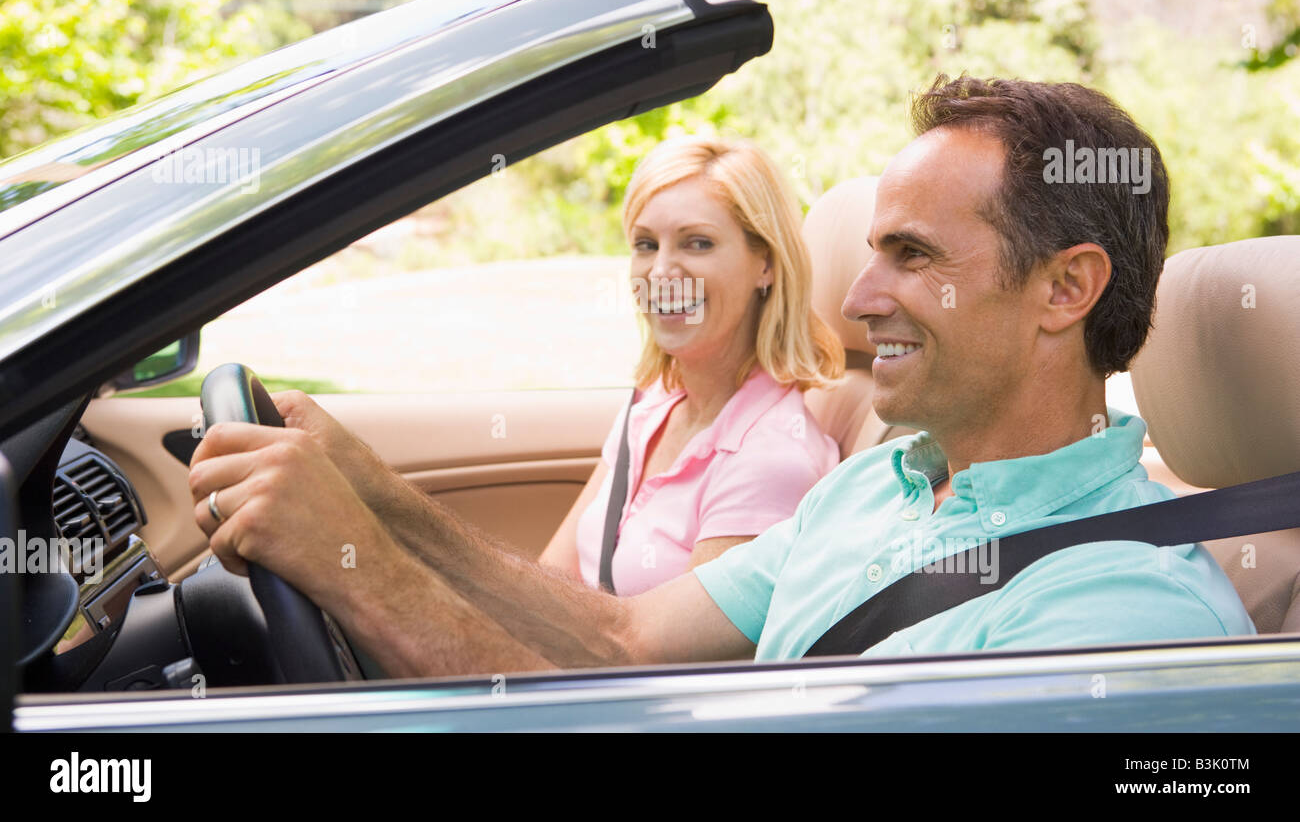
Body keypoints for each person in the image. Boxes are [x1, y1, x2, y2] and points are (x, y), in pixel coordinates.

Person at [189, 75, 1254, 678]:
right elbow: (623, 634)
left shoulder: (1119, 611)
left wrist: (354, 566)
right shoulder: (875, 483)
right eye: (873, 251)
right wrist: (365, 493)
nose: (854, 300)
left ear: (1064, 290)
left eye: (914, 256)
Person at [536, 137, 844, 594]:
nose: (660, 272)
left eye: (697, 243)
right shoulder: (652, 404)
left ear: (766, 265)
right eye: (645, 244)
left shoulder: (770, 459)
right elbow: (549, 581)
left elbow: (657, 654)